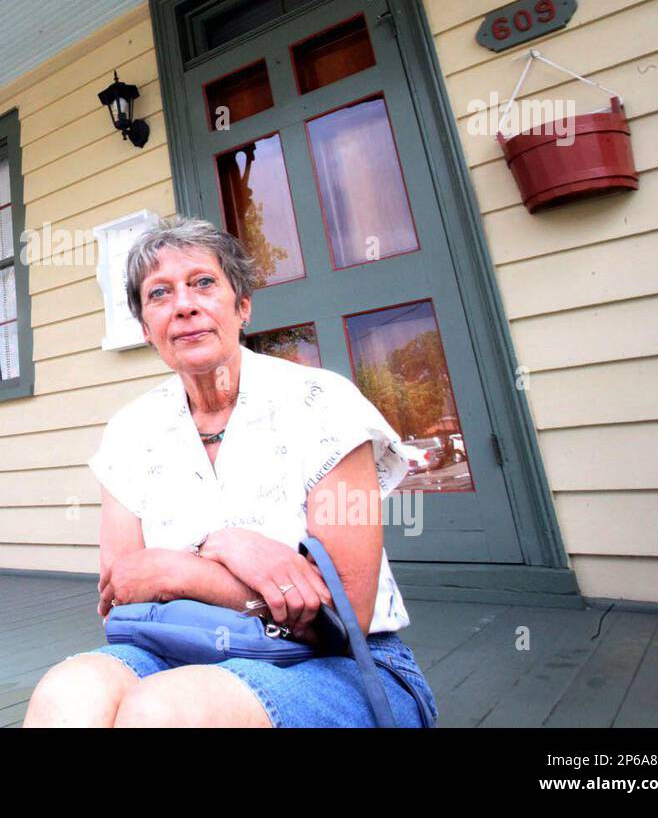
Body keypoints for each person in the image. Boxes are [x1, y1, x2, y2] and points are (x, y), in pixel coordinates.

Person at [23, 215, 439, 728]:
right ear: (146, 328)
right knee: (67, 694)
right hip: (173, 646)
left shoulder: (324, 403)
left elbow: (342, 609)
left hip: (340, 664)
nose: (184, 305)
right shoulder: (131, 430)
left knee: (165, 712)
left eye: (203, 283)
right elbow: (125, 586)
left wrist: (179, 570)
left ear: (242, 305)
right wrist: (224, 554)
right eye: (159, 294)